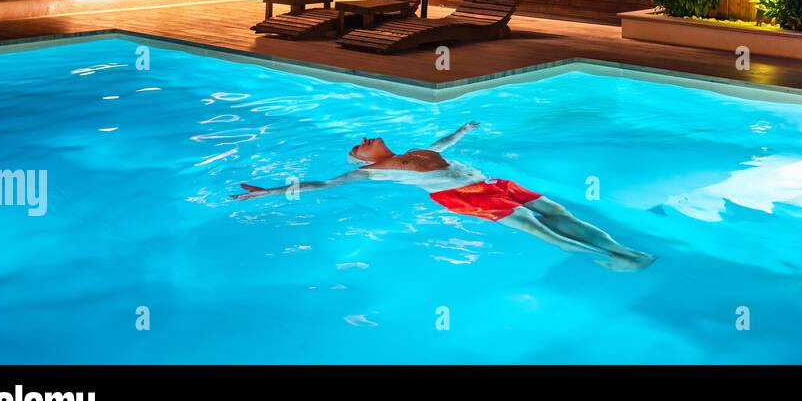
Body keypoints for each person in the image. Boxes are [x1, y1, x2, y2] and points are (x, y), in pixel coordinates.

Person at [233, 122, 654, 271]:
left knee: (556, 210)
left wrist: (465, 130)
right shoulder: (371, 171)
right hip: (461, 195)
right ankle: (617, 261)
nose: (363, 140)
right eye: (358, 143)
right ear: (361, 158)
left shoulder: (416, 151)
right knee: (537, 227)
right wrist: (270, 191)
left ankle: (621, 249)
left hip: (491, 182)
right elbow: (322, 185)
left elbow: (444, 142)